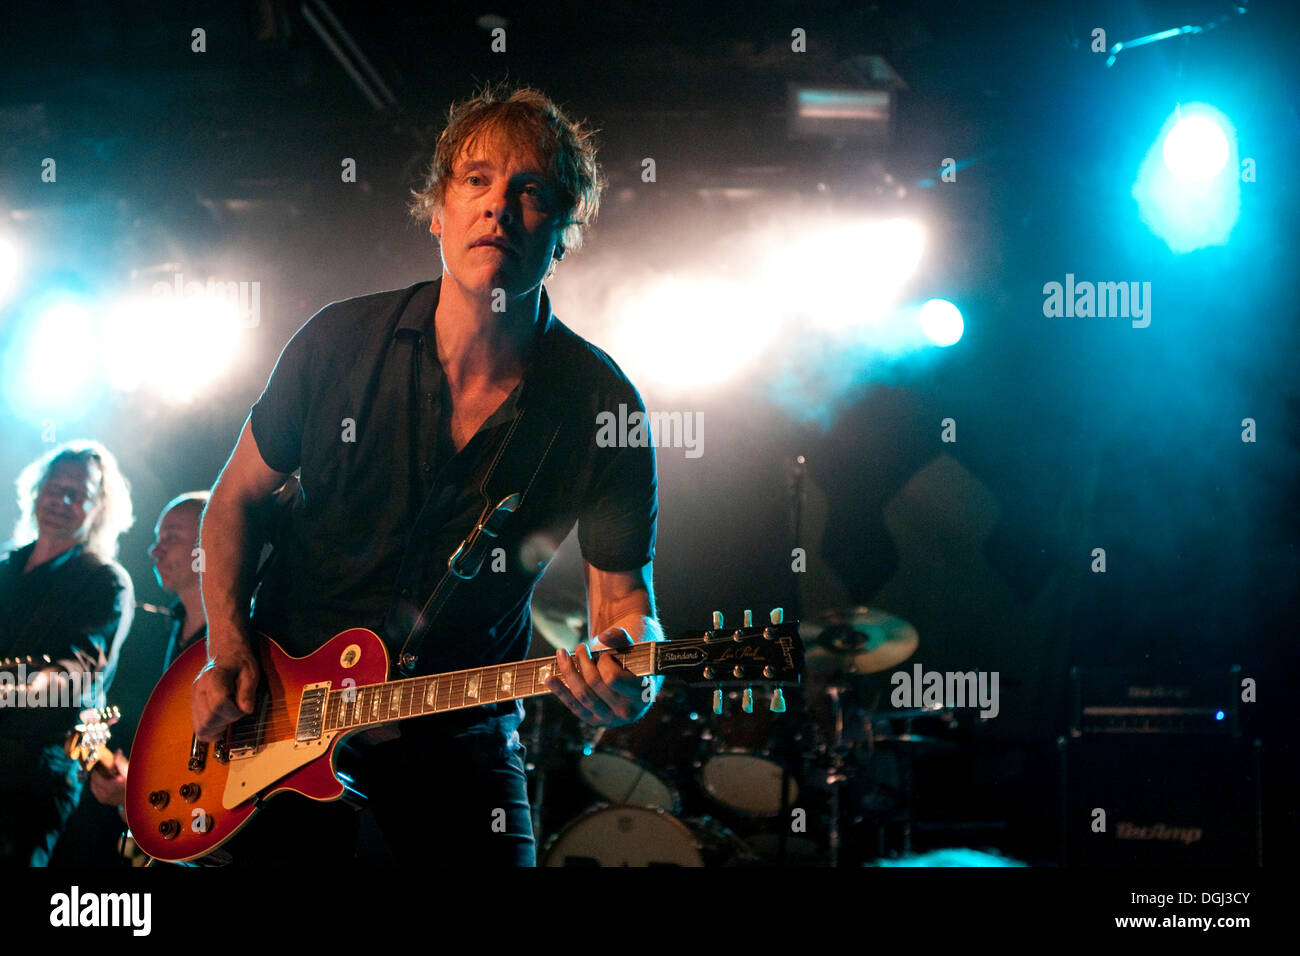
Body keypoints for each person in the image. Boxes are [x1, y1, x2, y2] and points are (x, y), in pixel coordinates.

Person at [192, 82, 662, 865]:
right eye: (475, 180)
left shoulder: (600, 403)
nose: (498, 208)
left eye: (531, 191)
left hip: (459, 738)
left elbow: (625, 600)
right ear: (436, 210)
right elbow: (235, 497)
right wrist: (229, 647)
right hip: (278, 722)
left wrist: (634, 673)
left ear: (564, 231)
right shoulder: (338, 341)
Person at [0, 440, 135, 866]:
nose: (60, 499)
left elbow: (72, 678)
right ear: (36, 490)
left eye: (77, 494)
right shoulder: (5, 567)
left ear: (99, 509)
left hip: (30, 777)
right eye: (54, 487)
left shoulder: (106, 582)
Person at [88, 493, 210, 815]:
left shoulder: (249, 634)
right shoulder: (164, 632)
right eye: (157, 539)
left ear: (214, 536)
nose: (154, 551)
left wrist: (141, 793)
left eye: (171, 537)